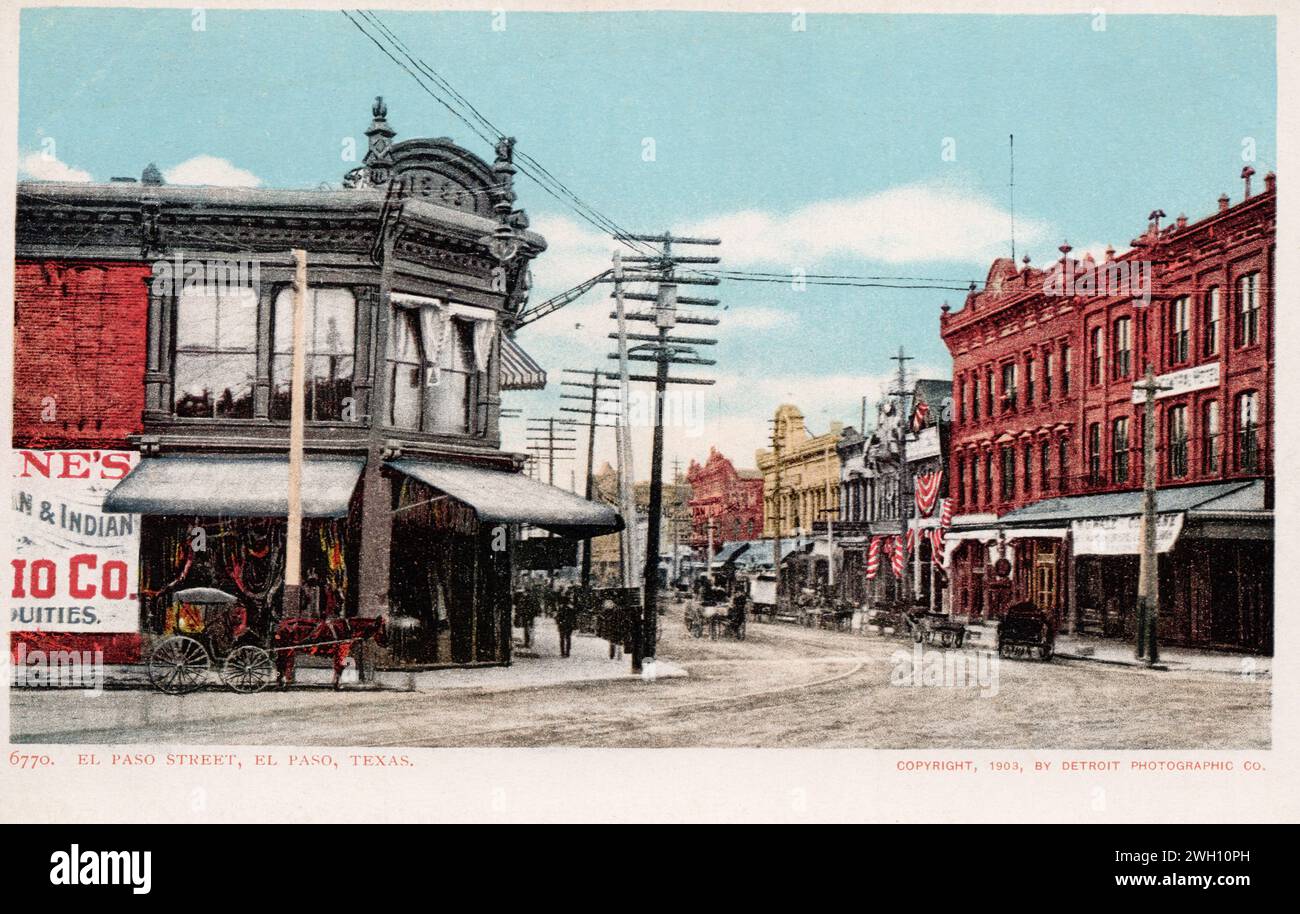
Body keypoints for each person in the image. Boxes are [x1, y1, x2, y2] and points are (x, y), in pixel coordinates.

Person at [556, 587, 577, 658]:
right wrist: (574, 625)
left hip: (562, 624)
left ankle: (563, 652)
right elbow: (574, 617)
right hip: (568, 625)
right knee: (568, 638)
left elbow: (558, 617)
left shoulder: (561, 608)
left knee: (562, 639)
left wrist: (558, 623)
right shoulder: (571, 608)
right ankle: (567, 653)